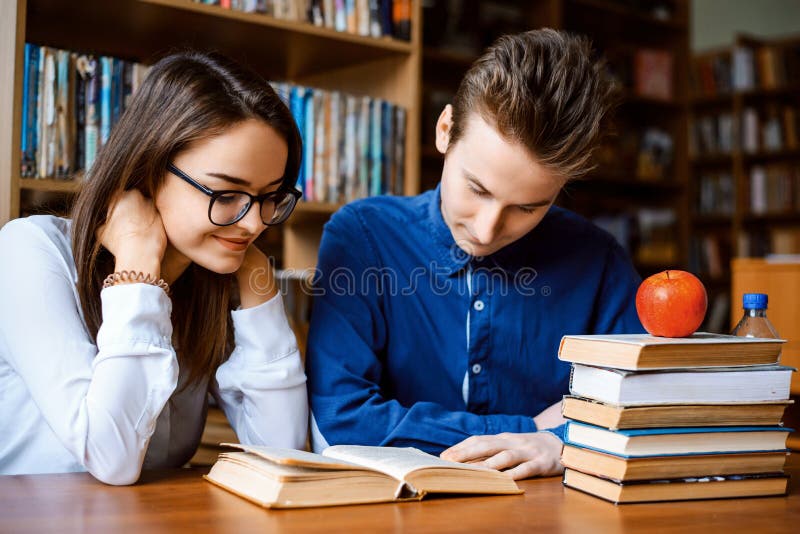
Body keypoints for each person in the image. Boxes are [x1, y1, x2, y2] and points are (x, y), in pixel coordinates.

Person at [306, 29, 644, 479]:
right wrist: (536, 433)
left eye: (527, 207)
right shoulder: (363, 236)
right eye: (476, 189)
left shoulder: (598, 260)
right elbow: (342, 418)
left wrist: (558, 442)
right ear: (445, 131)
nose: (487, 230)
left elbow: (642, 407)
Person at [0, 51, 308, 485]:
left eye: (269, 197)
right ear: (148, 168)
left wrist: (258, 289)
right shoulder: (30, 251)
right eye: (226, 193)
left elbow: (284, 458)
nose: (255, 222)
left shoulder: (211, 279)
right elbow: (111, 459)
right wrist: (137, 263)